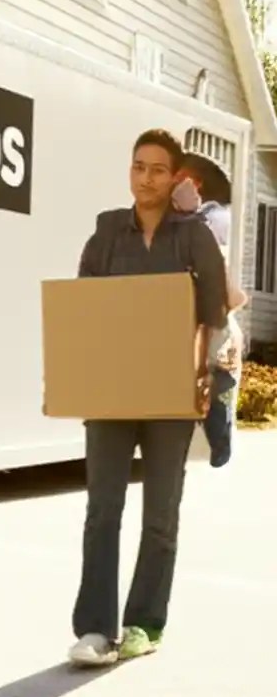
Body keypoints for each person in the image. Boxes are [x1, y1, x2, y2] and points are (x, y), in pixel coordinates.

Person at [67, 129, 227, 667]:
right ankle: (93, 629)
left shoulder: (194, 236)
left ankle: (143, 623)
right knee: (102, 511)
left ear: (175, 176)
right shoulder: (107, 233)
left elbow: (213, 316)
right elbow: (81, 309)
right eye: (138, 167)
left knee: (161, 514)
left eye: (158, 169)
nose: (146, 178)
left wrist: (206, 376)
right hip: (111, 391)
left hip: (171, 393)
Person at [171, 153, 245, 468]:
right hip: (196, 313)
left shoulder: (215, 219)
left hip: (215, 317)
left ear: (194, 183)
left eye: (176, 177)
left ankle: (220, 408)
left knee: (212, 366)